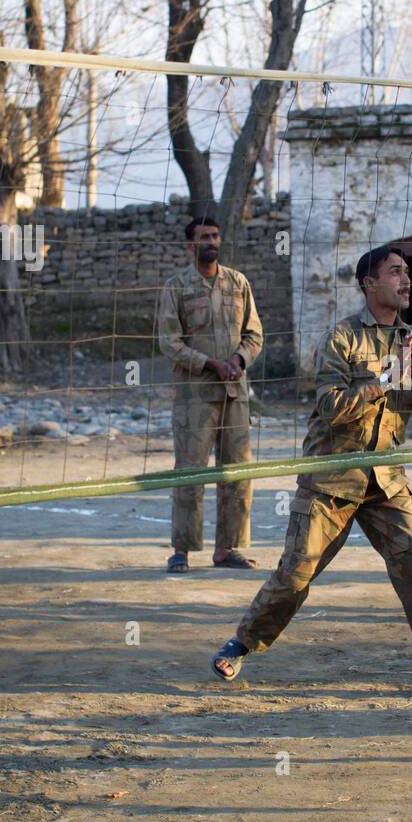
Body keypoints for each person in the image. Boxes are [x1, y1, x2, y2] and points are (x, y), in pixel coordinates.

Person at [210, 245, 412, 699]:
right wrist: (385, 380)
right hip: (331, 477)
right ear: (369, 284)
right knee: (296, 574)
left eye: (407, 274)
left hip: (385, 480)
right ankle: (242, 642)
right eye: (395, 272)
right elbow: (330, 407)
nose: (406, 280)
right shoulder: (342, 339)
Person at [157, 216, 263, 572]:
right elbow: (168, 342)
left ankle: (226, 549)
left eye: (216, 236)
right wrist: (208, 363)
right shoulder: (176, 287)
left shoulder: (238, 283)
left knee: (237, 472)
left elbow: (254, 334)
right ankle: (182, 550)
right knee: (190, 473)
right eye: (204, 237)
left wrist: (238, 358)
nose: (212, 242)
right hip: (195, 399)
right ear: (191, 244)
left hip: (234, 393)